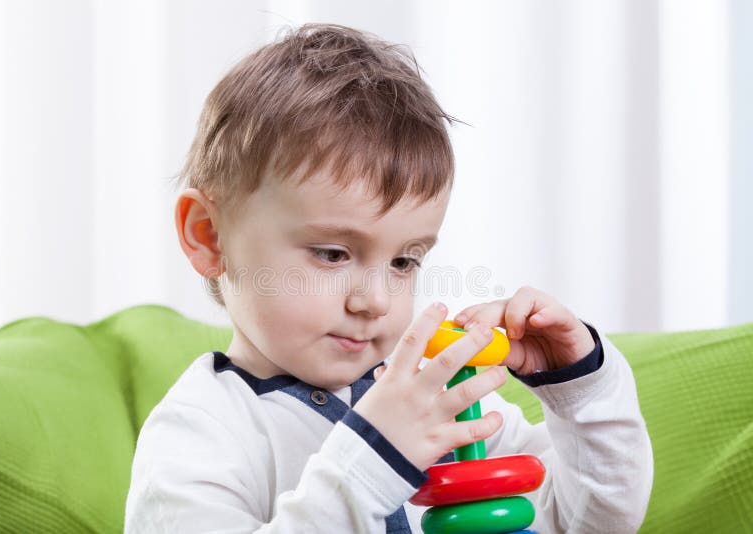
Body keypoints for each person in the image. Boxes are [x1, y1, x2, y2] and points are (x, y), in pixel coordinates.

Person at [124, 22, 653, 533]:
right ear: (209, 236)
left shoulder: (442, 397)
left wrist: (579, 385)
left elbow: (592, 522)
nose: (375, 301)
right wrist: (374, 458)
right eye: (332, 253)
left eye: (404, 261)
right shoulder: (201, 431)